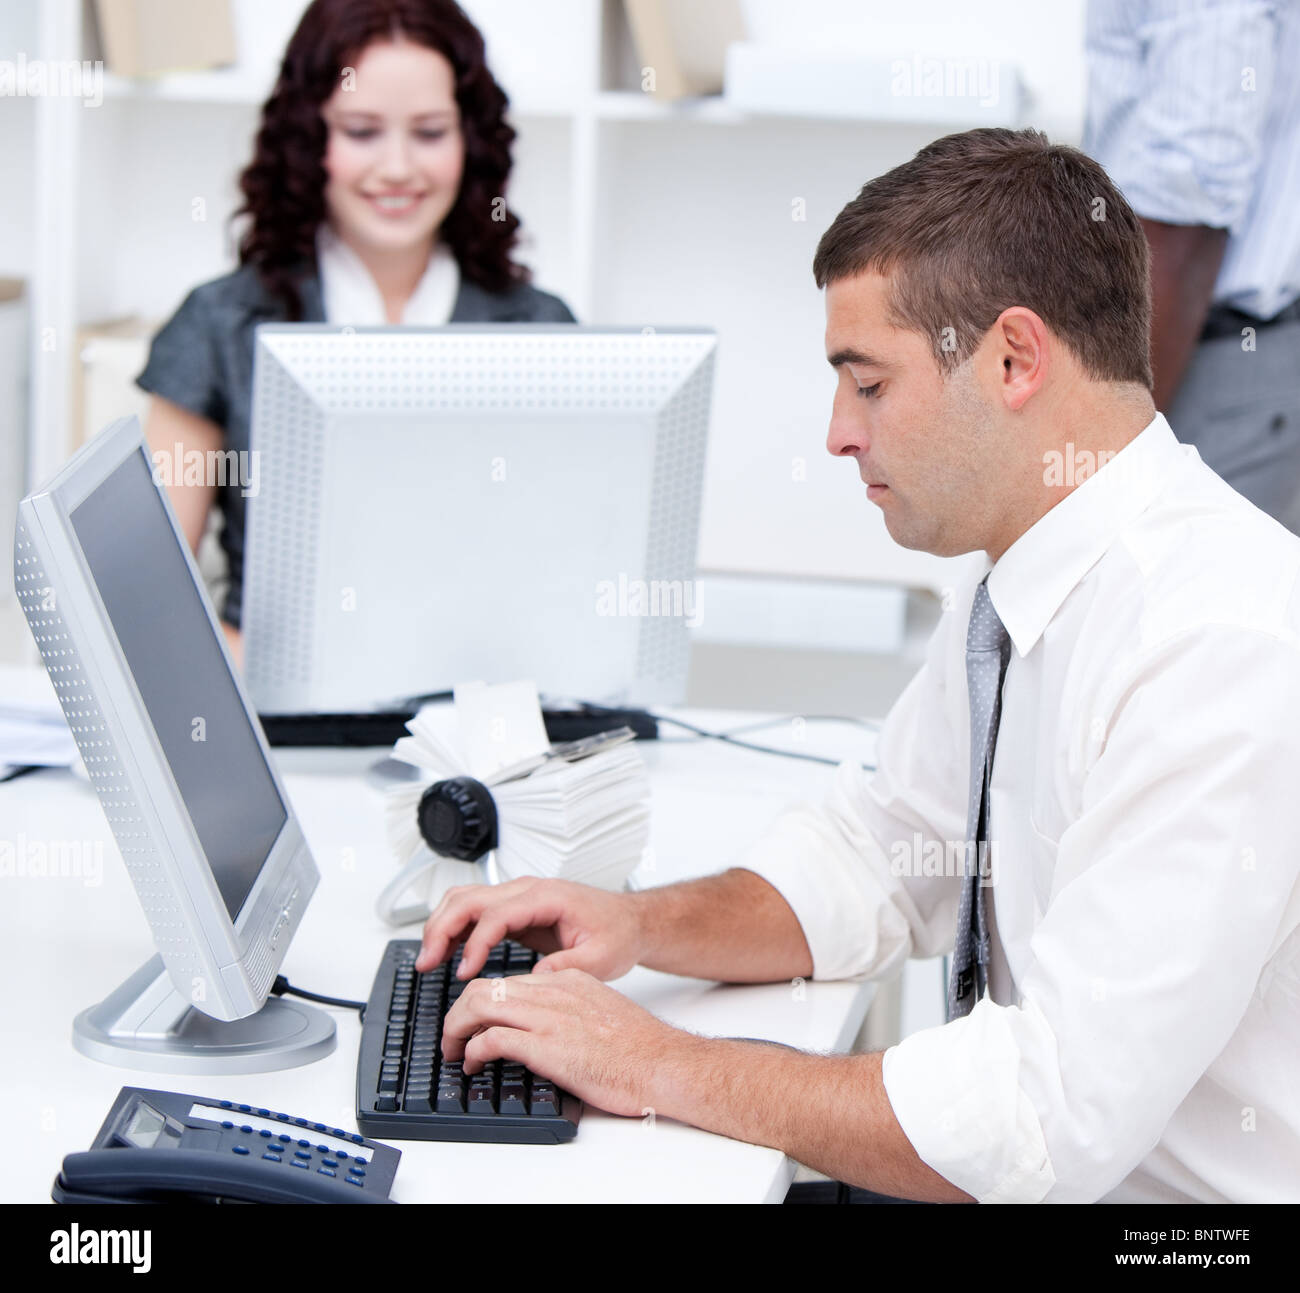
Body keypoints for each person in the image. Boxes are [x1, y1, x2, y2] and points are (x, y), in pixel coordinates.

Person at [413, 128, 1300, 1204]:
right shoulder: (1024, 572)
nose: (838, 434)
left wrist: (655, 1063)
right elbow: (888, 851)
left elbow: (1037, 1121)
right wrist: (640, 926)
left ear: (1015, 359)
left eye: (868, 384)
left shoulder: (1221, 642)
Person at [136, 0, 574, 662]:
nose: (397, 168)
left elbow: (569, 576)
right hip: (269, 715)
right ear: (309, 138)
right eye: (362, 130)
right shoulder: (220, 325)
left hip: (483, 725)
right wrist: (253, 668)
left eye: (429, 132)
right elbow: (151, 589)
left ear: (471, 143)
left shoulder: (540, 329)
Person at [1084, 0, 1300, 531]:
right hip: (1198, 350)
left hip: (1189, 355)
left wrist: (1096, 476)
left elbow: (1187, 195)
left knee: (1127, 590)